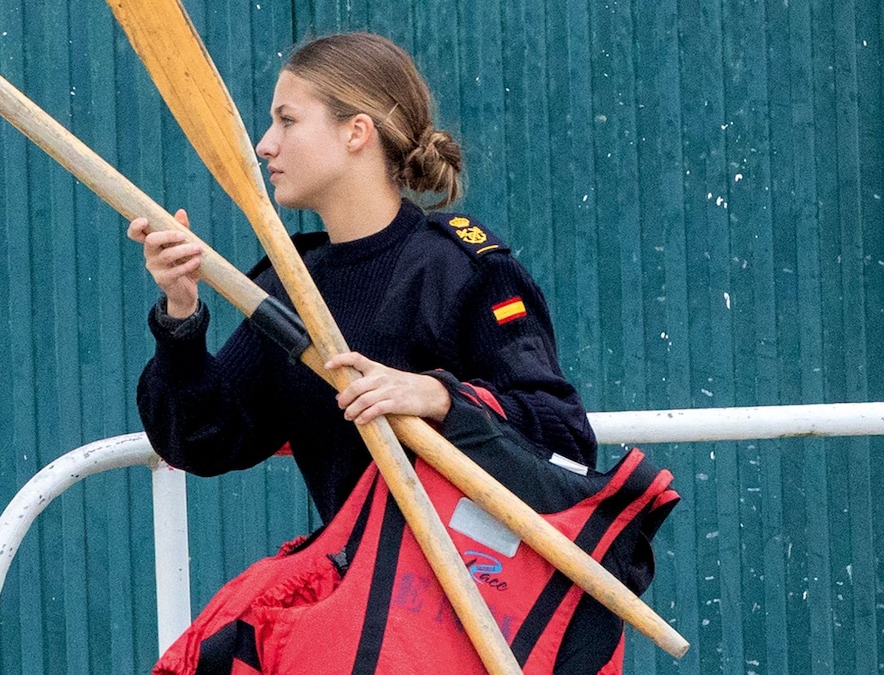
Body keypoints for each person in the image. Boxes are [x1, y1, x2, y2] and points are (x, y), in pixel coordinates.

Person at [127, 32, 596, 525]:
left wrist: (439, 398)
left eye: (287, 120)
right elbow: (201, 443)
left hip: (479, 590)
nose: (265, 145)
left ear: (356, 132)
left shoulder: (461, 269)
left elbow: (564, 440)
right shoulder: (290, 287)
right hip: (364, 586)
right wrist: (180, 312)